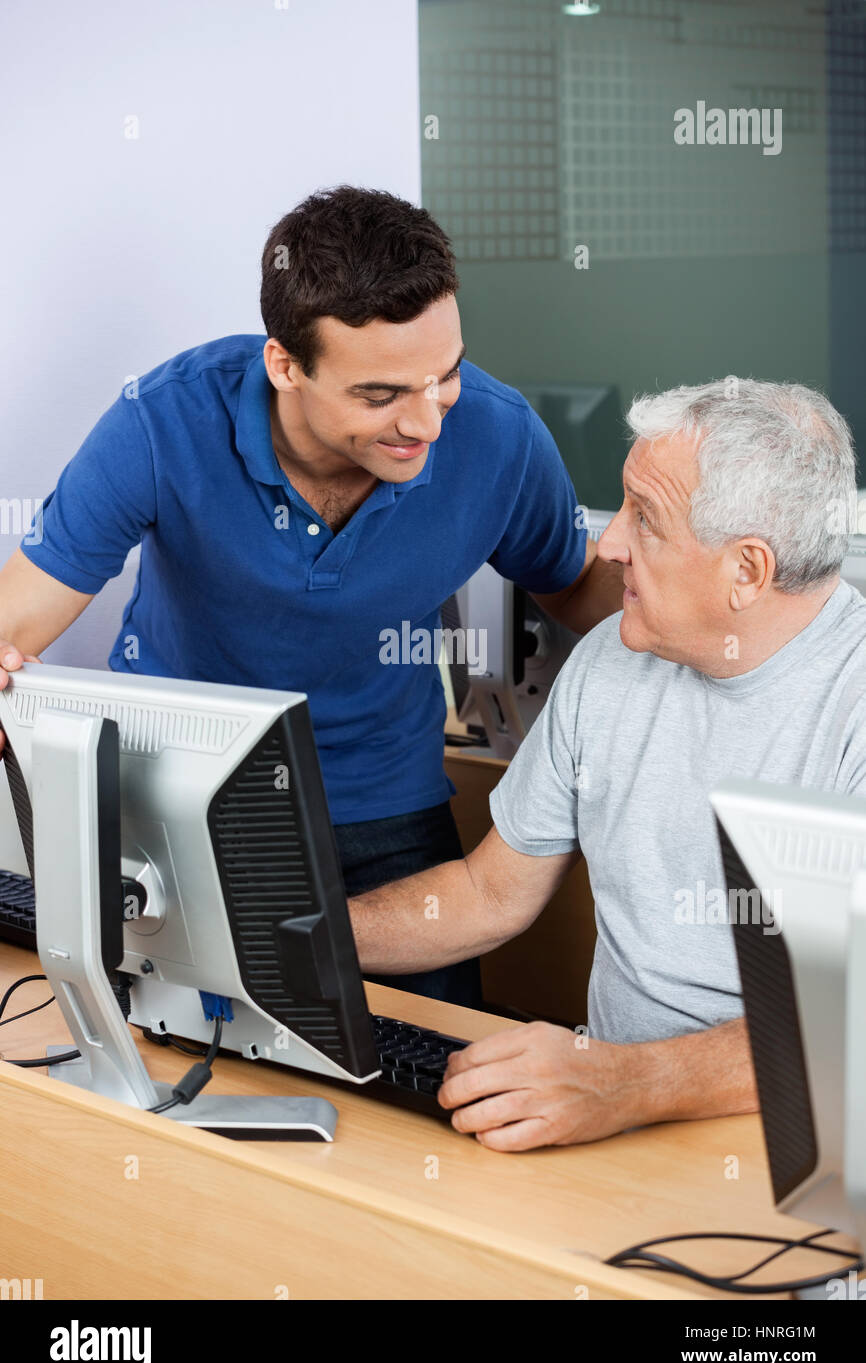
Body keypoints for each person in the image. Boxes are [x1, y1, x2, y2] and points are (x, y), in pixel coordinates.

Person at [0, 185, 622, 1007]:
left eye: (445, 375)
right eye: (380, 395)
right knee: (177, 1062)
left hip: (385, 806)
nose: (427, 422)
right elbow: (20, 619)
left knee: (422, 1071)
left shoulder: (499, 438)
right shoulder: (164, 420)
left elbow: (578, 586)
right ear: (285, 366)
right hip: (181, 803)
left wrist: (704, 589)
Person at [348, 378, 866, 1149]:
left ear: (747, 571)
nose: (611, 543)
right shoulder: (611, 663)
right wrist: (293, 933)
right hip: (603, 1113)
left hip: (790, 1135)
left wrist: (630, 1081)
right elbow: (490, 896)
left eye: (645, 519)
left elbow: (849, 1027)